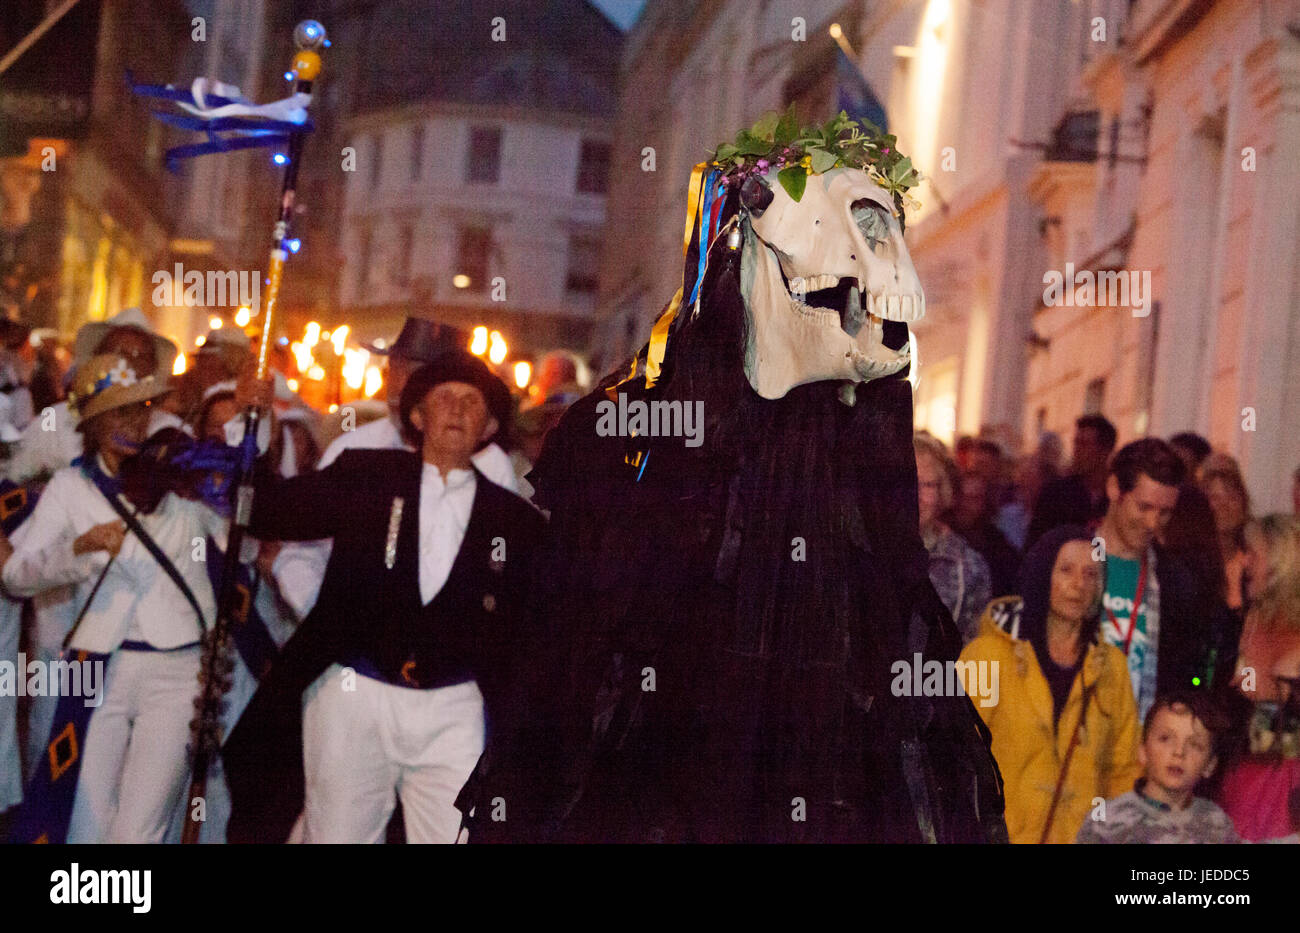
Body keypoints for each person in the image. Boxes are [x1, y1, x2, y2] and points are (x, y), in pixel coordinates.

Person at [222, 349, 545, 843]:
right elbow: (265, 512)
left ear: (488, 428)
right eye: (444, 398)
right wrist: (253, 428)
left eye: (472, 402)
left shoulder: (514, 521)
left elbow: (532, 627)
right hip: (355, 695)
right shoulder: (366, 476)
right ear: (417, 416)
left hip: (452, 709)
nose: (457, 410)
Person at [1, 354, 251, 842]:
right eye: (119, 412)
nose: (134, 422)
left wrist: (236, 445)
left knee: (141, 828)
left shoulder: (181, 476)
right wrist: (77, 548)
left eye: (141, 409)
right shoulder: (69, 487)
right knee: (85, 822)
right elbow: (16, 576)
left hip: (178, 670)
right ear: (93, 423)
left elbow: (240, 531)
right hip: (96, 667)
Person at [268, 316, 520, 622]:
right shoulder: (352, 451)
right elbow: (301, 552)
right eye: (395, 370)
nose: (399, 385)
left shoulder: (489, 464)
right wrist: (326, 615)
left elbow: (499, 570)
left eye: (415, 375)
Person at [960, 525, 1141, 843]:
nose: (1079, 585)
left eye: (1091, 574)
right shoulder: (987, 656)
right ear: (1043, 575)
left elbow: (1122, 773)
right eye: (1066, 570)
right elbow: (954, 758)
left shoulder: (1111, 668)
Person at [1094, 438, 1216, 720]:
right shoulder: (1066, 560)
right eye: (1144, 507)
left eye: (1164, 513)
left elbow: (1189, 675)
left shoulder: (1176, 582)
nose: (1152, 523)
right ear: (1114, 488)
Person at [1219, 514, 1300, 840]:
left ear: (1278, 560)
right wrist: (1234, 603)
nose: (1244, 560)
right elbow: (1239, 683)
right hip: (1243, 770)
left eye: (1252, 552)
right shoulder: (1251, 617)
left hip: (1287, 784)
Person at [1076, 693, 1239, 843]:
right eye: (1165, 739)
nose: (1179, 752)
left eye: (1195, 745)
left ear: (1210, 765)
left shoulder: (1216, 824)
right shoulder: (1106, 822)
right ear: (1143, 751)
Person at [915, 433, 991, 644]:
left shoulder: (969, 568)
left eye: (926, 484)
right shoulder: (858, 557)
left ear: (943, 490)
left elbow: (974, 656)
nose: (914, 494)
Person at [1026, 414, 1117, 548]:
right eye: (1076, 443)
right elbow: (1036, 545)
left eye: (1084, 444)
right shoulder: (1055, 494)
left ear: (1105, 451)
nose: (1076, 451)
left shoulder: (1118, 497)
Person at [1199, 455, 1252, 614]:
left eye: (1232, 498)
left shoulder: (1254, 557)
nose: (1224, 505)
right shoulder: (1192, 559)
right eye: (1215, 498)